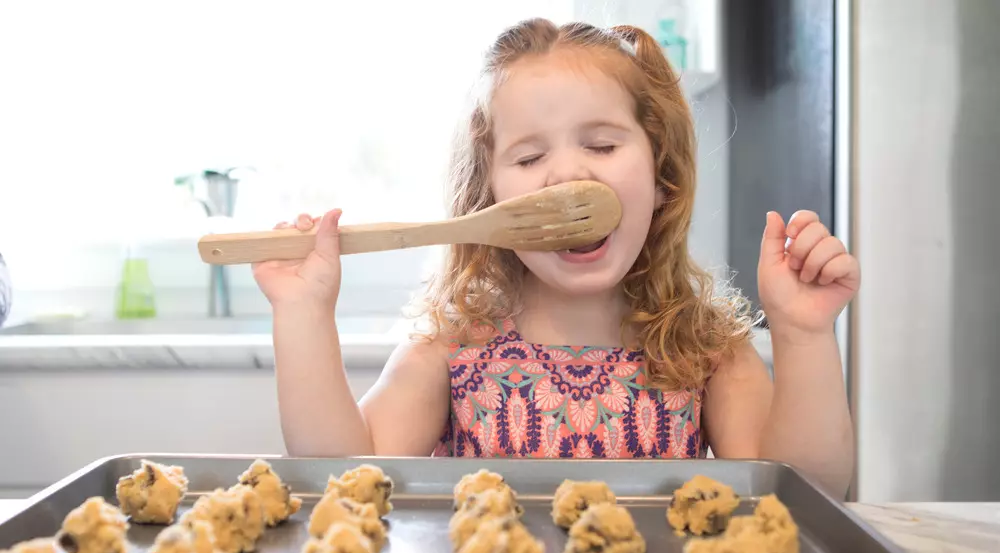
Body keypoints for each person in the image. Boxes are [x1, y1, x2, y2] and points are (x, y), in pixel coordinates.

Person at [251, 19, 859, 497]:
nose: (566, 172)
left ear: (662, 178)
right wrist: (302, 314)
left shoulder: (705, 351)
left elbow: (802, 492)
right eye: (527, 158)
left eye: (600, 144)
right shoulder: (450, 347)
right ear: (486, 199)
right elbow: (341, 477)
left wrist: (805, 337)